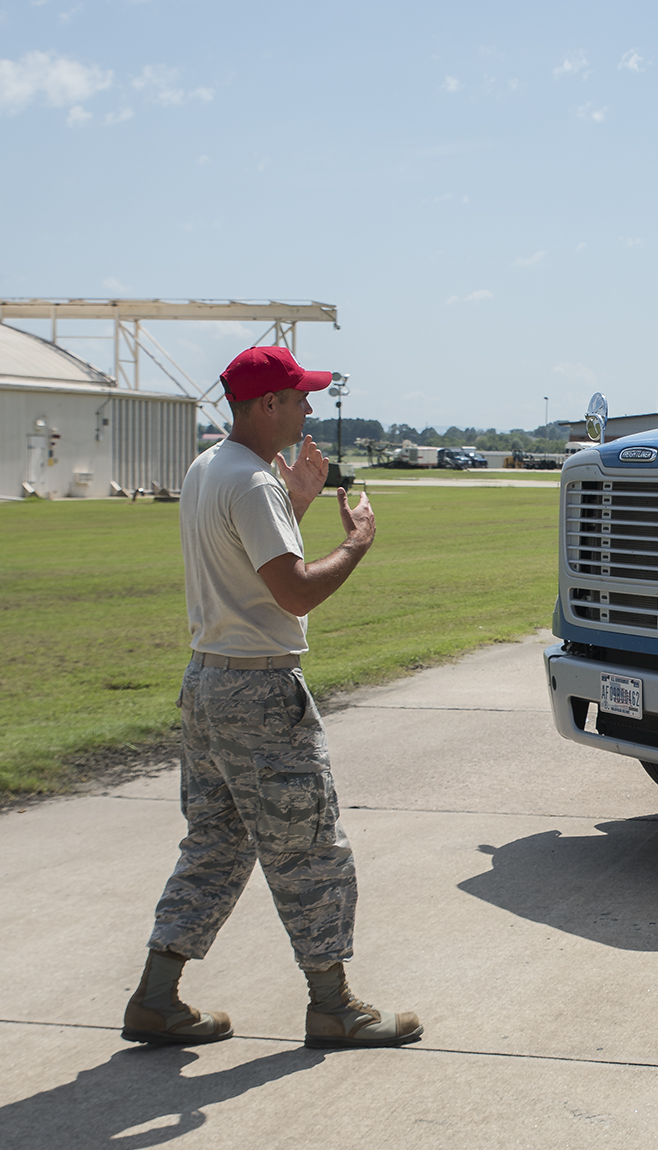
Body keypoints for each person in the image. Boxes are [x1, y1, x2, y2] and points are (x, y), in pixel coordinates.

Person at [121, 345, 420, 1050]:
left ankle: (157, 997)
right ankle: (333, 1007)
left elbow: (248, 559)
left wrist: (297, 503)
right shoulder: (253, 481)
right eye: (299, 397)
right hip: (258, 688)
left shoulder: (210, 467)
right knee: (310, 847)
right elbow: (292, 590)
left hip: (208, 680)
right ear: (267, 405)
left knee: (216, 842)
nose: (309, 408)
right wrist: (357, 544)